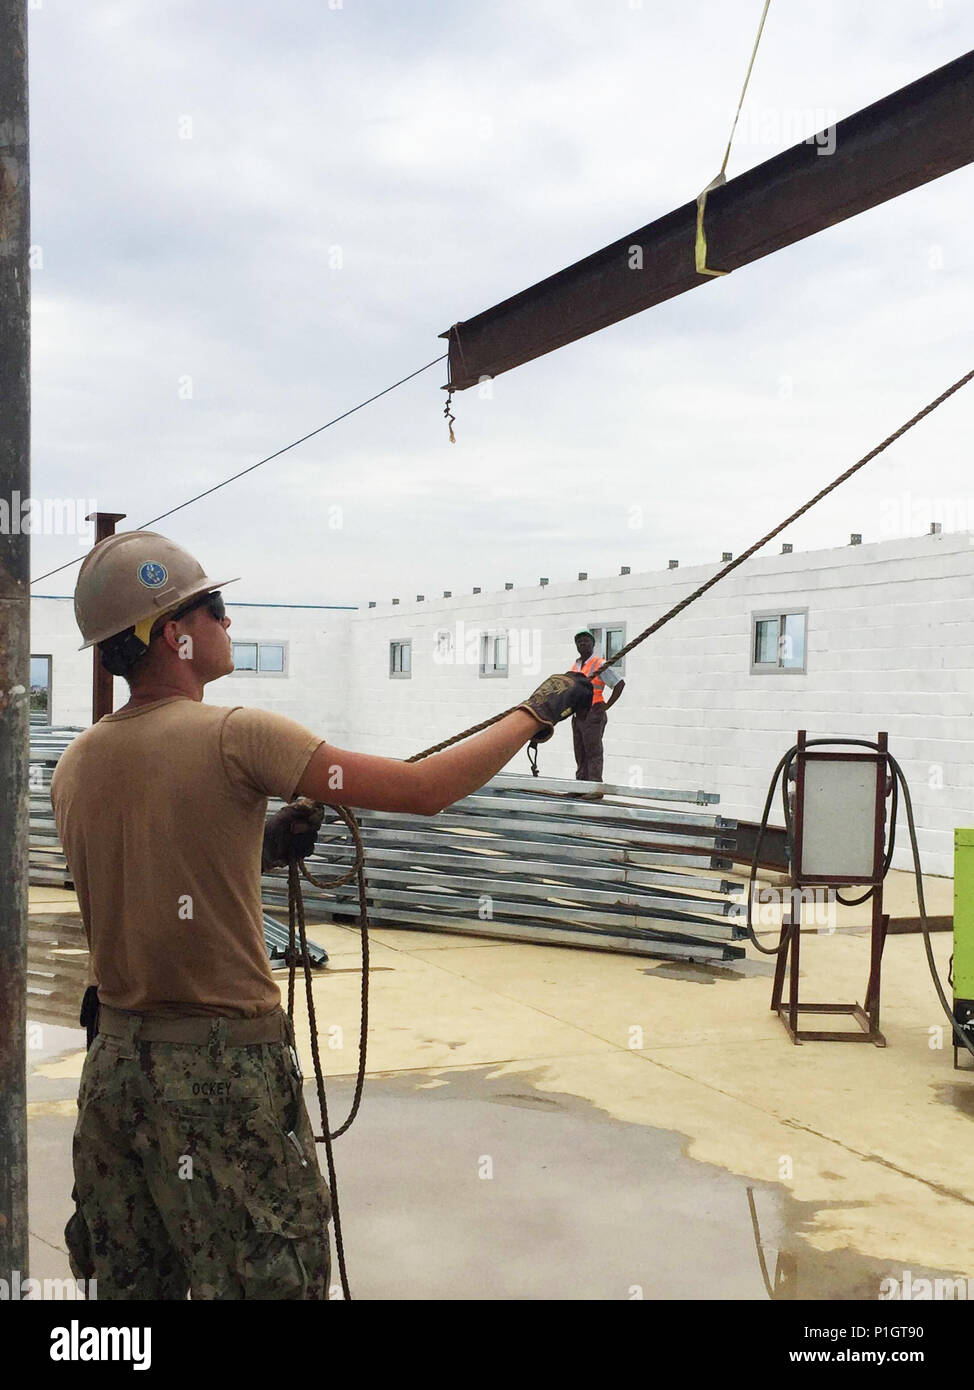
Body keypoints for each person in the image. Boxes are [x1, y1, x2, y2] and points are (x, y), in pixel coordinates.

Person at [52, 531, 592, 1300]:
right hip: (221, 1071)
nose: (228, 625)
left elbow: (152, 880)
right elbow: (423, 788)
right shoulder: (240, 736)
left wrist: (261, 849)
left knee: (137, 1297)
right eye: (217, 610)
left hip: (115, 1074)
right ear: (175, 634)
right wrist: (535, 712)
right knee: (272, 1279)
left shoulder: (77, 764)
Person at [569, 628, 626, 793]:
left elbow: (619, 684)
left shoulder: (599, 664)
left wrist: (607, 705)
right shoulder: (576, 665)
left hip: (593, 712)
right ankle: (580, 786)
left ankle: (594, 788)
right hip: (577, 714)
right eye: (579, 641)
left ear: (593, 644)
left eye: (586, 641)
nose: (583, 643)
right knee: (580, 752)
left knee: (593, 751)